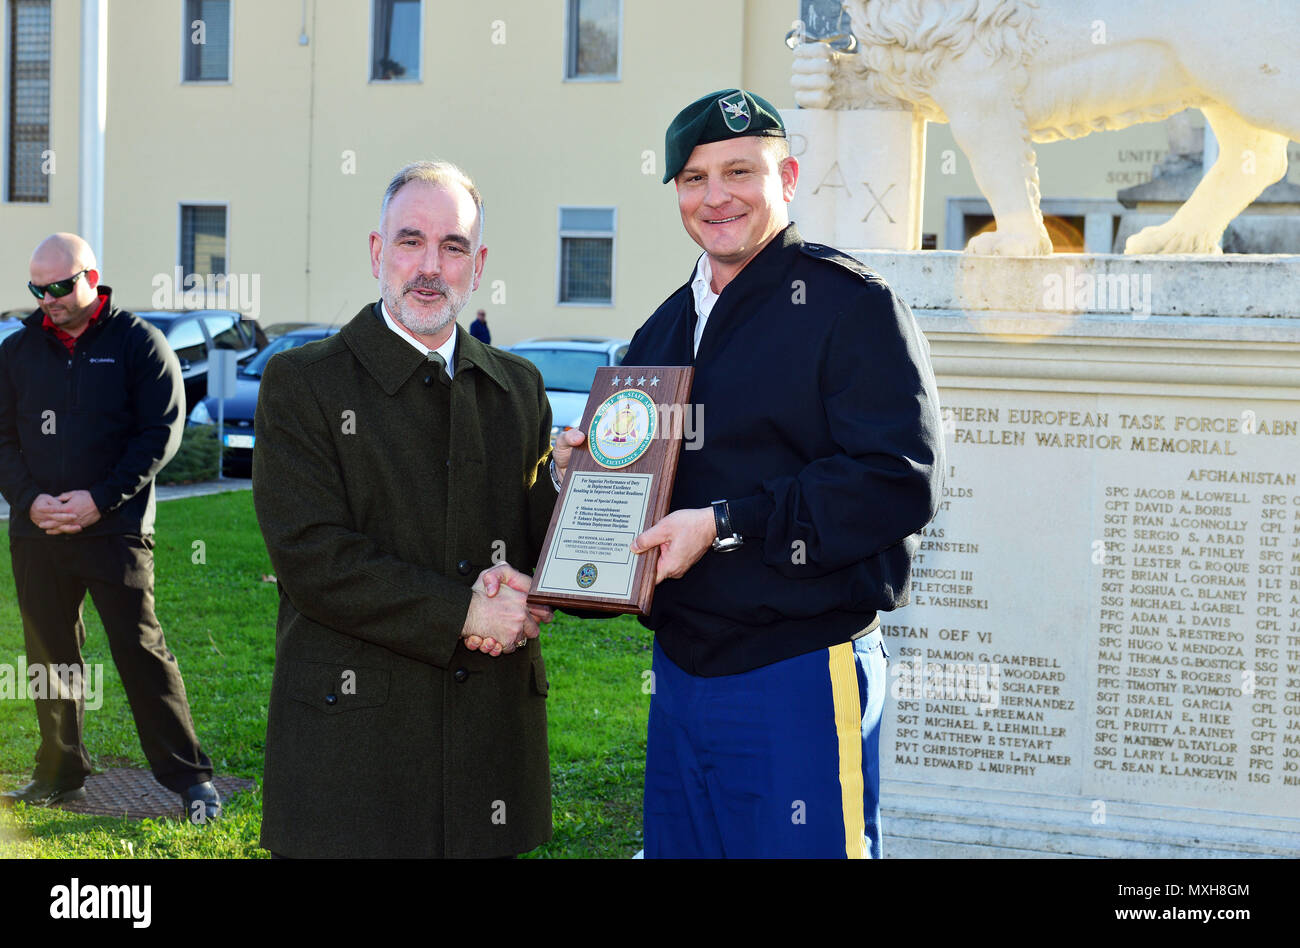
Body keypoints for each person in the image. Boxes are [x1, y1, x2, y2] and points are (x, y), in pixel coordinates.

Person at [623, 89, 945, 857]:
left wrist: (726, 525)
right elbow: (644, 478)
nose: (716, 196)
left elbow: (898, 476)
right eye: (695, 178)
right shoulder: (661, 327)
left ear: (788, 177)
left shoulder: (849, 305)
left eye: (740, 171)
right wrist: (594, 471)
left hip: (794, 670)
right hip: (680, 672)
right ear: (676, 193)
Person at [252, 160, 582, 858]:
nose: (430, 266)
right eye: (410, 241)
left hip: (488, 749)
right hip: (356, 760)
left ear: (478, 263)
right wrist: (468, 610)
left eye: (453, 246)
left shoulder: (517, 386)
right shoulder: (303, 382)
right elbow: (313, 557)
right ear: (378, 252)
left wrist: (566, 488)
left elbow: (527, 543)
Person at [0, 233, 222, 821]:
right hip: (37, 531)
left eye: (58, 287)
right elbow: (1, 438)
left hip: (115, 529)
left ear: (91, 278)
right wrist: (29, 501)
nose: (47, 299)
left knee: (140, 651)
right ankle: (58, 772)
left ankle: (191, 779)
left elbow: (160, 433)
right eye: (36, 289)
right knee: (49, 658)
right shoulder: (18, 351)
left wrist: (99, 500)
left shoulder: (138, 343)